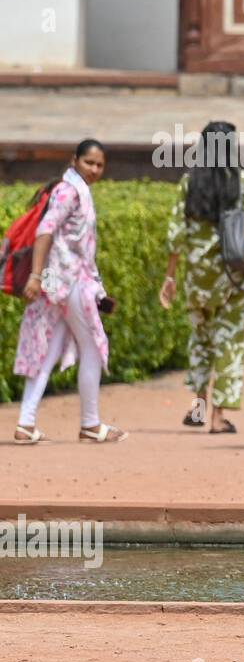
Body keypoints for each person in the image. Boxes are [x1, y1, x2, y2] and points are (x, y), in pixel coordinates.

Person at [13, 139, 126, 444]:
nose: (94, 170)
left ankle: (26, 422)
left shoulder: (75, 190)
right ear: (75, 160)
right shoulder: (69, 191)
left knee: (47, 350)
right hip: (66, 280)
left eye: (100, 165)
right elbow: (45, 231)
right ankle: (90, 424)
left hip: (61, 280)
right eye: (89, 163)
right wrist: (36, 275)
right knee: (92, 345)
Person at [159, 121, 244, 434]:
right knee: (229, 343)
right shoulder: (242, 182)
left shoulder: (190, 182)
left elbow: (175, 234)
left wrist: (170, 277)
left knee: (200, 340)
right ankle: (218, 417)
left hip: (197, 278)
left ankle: (199, 408)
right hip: (233, 276)